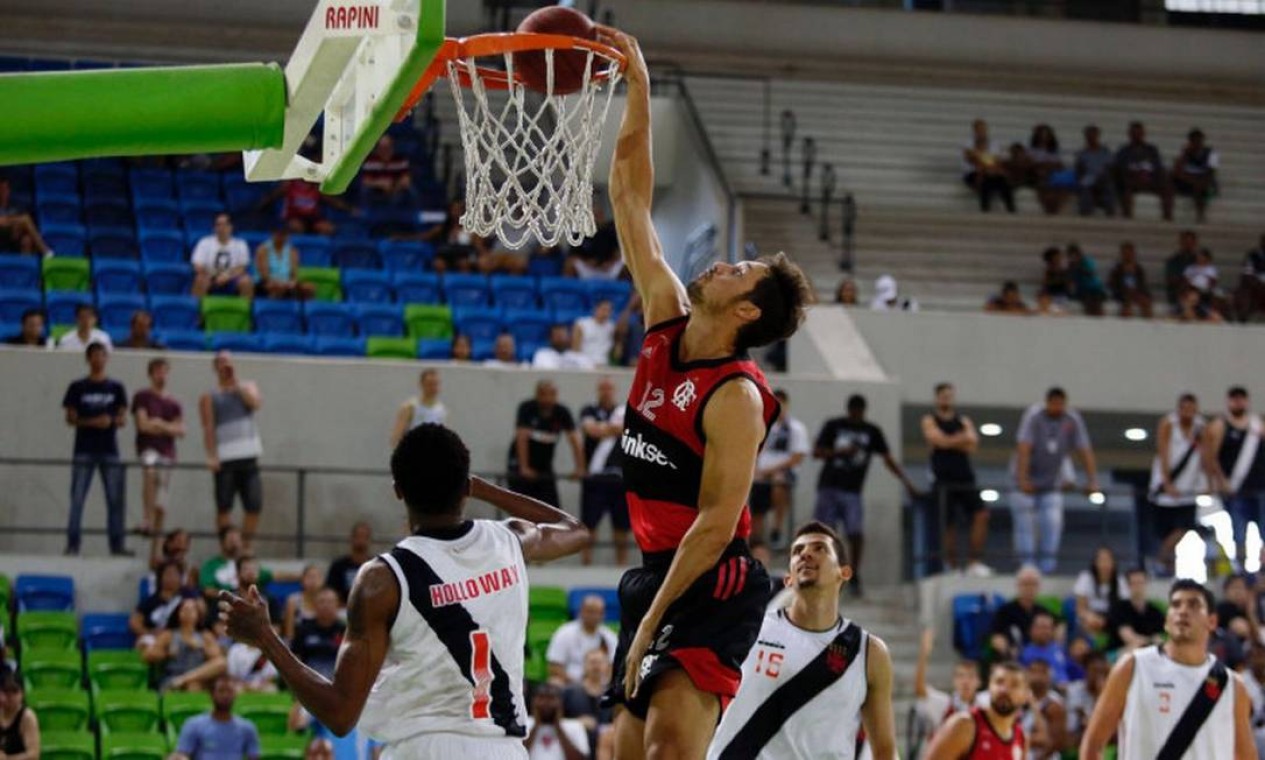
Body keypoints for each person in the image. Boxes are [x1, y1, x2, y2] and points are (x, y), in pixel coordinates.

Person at [598, 26, 812, 760]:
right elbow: (628, 195)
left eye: (739, 270)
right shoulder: (665, 318)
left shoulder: (735, 397)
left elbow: (717, 525)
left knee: (668, 750)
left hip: (712, 579)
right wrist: (639, 89)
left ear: (746, 311)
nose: (723, 264)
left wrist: (652, 623)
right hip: (653, 572)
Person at [217, 423, 591, 756]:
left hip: (421, 747)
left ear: (397, 490)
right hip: (503, 750)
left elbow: (340, 713)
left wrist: (266, 638)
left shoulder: (381, 580)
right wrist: (481, 488)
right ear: (465, 486)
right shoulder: (510, 540)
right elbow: (574, 529)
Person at [706, 521, 896, 760]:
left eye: (820, 548)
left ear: (845, 573)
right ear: (788, 579)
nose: (805, 554)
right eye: (797, 551)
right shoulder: (749, 628)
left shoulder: (868, 652)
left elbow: (885, 750)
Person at [1079, 579, 1257, 760]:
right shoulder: (1133, 666)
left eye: (1194, 605)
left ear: (1212, 621)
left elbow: (1246, 756)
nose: (1183, 611)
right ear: (1166, 621)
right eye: (1176, 605)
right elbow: (1092, 746)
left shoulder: (1231, 685)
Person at [813, 394, 918, 597]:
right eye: (853, 412)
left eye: (859, 413)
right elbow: (817, 452)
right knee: (824, 534)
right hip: (829, 486)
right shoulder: (834, 425)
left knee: (855, 533)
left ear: (863, 412)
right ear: (849, 410)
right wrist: (840, 452)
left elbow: (888, 459)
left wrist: (907, 483)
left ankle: (853, 575)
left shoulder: (871, 431)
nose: (856, 415)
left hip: (852, 490)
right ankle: (822, 573)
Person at [1011, 387, 1100, 573]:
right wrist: (1023, 479)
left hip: (1050, 482)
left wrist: (1092, 479)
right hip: (1026, 479)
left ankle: (1047, 567)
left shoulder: (1072, 419)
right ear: (1047, 402)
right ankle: (1027, 566)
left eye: (1061, 404)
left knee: (1052, 522)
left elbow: (1084, 449)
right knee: (1025, 524)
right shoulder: (1034, 416)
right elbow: (1024, 447)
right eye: (1055, 404)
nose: (1058, 408)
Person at [62, 341, 130, 556]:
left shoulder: (116, 387)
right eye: (94, 355)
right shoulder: (77, 387)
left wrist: (111, 421)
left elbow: (122, 418)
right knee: (77, 498)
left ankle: (116, 545)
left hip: (110, 450)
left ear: (106, 358)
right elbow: (70, 418)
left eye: (102, 355)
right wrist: (94, 422)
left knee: (115, 499)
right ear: (88, 359)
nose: (98, 359)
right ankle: (73, 544)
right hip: (84, 449)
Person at [922, 383, 989, 576]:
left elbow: (972, 444)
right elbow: (937, 440)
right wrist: (959, 439)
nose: (946, 399)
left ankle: (974, 562)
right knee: (948, 524)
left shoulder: (963, 420)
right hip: (943, 480)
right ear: (936, 398)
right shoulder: (930, 420)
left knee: (981, 514)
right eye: (943, 396)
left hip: (965, 478)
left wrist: (948, 441)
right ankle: (951, 566)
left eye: (949, 396)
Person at [199, 351, 264, 541]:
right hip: (225, 458)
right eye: (221, 362)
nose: (225, 366)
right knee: (224, 506)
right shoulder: (209, 396)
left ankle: (245, 545)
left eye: (228, 362)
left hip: (249, 456)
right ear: (215, 367)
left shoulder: (248, 386)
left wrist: (236, 384)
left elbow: (255, 404)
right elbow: (208, 427)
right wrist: (211, 455)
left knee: (254, 505)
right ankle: (226, 546)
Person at [1204, 387, 1265, 568]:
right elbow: (1210, 457)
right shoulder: (1219, 425)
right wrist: (1221, 482)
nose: (1238, 403)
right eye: (1235, 399)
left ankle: (1262, 567)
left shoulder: (1257, 425)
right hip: (1235, 488)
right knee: (1239, 532)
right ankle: (1241, 569)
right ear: (1228, 401)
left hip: (1260, 487)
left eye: (1241, 399)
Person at [922, 661, 1029, 760]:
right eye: (999, 682)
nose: (1004, 690)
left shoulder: (1021, 738)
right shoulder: (964, 725)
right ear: (989, 687)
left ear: (1025, 695)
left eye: (1014, 685)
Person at [1150, 393, 1208, 573]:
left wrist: (1205, 483)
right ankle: (1165, 563)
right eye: (1185, 409)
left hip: (1188, 490)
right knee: (1166, 531)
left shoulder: (1201, 427)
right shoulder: (1169, 424)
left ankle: (1162, 559)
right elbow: (1163, 453)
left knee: (1184, 527)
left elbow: (1205, 456)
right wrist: (1167, 482)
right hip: (1167, 487)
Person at [507, 380, 585, 508]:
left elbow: (574, 439)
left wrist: (580, 467)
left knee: (551, 508)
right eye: (543, 394)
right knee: (522, 507)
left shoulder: (562, 412)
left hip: (544, 465)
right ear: (537, 395)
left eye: (551, 394)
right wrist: (524, 467)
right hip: (520, 463)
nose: (547, 399)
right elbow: (522, 438)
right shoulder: (527, 408)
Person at [579, 377, 630, 566]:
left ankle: (621, 564)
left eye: (609, 388)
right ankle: (586, 563)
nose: (606, 392)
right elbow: (591, 430)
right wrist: (614, 429)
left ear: (614, 391)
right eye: (603, 388)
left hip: (619, 477)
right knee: (589, 523)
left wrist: (604, 428)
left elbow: (630, 430)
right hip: (595, 476)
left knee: (621, 525)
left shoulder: (623, 411)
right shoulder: (589, 410)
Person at [752, 388, 810, 548]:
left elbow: (797, 457)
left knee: (779, 482)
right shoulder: (763, 426)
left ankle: (776, 529)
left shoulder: (795, 428)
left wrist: (770, 470)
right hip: (762, 473)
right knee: (755, 494)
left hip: (783, 472)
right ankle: (756, 536)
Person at [132, 357, 184, 536]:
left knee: (161, 504)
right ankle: (146, 519)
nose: (161, 375)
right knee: (150, 470)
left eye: (164, 371)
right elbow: (142, 425)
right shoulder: (142, 397)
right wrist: (168, 428)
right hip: (149, 448)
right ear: (150, 374)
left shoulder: (174, 403)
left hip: (167, 453)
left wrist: (159, 423)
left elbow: (180, 430)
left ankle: (156, 542)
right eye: (157, 371)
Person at [914, 627, 981, 747]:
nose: (965, 681)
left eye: (971, 676)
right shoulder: (945, 704)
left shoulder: (986, 705)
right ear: (954, 681)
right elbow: (920, 690)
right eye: (961, 676)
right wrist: (924, 653)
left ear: (979, 681)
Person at [171, 674, 261, 760]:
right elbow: (181, 754)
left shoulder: (247, 728)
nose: (225, 696)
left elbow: (253, 757)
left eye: (229, 691)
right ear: (212, 694)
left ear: (235, 695)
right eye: (221, 691)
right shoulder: (193, 725)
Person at [144, 598, 226, 692]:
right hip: (172, 677)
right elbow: (149, 655)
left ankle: (184, 679)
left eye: (192, 610)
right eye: (185, 609)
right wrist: (166, 653)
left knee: (194, 685)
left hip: (197, 676)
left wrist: (202, 648)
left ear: (198, 615)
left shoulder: (205, 636)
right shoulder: (168, 635)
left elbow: (218, 661)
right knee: (188, 686)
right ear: (178, 613)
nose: (188, 613)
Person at [547, 595, 618, 686]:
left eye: (598, 613)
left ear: (603, 615)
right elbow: (554, 667)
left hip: (600, 685)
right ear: (581, 612)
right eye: (590, 612)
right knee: (554, 682)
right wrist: (579, 685)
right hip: (569, 684)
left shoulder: (610, 637)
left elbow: (613, 668)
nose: (594, 616)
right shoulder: (564, 633)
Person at [1114, 121, 1174, 221]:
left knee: (1167, 187)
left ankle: (1167, 217)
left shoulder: (1151, 150)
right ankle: (1127, 217)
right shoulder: (1124, 151)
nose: (1136, 136)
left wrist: (1149, 176)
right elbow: (1120, 168)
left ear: (1143, 134)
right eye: (1134, 133)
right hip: (1131, 182)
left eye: (1139, 133)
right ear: (1130, 135)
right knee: (1124, 190)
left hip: (1149, 180)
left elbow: (1158, 167)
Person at [131, 560, 198, 650]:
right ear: (160, 577)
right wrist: (148, 632)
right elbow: (135, 621)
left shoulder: (187, 598)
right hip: (154, 637)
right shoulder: (150, 601)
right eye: (168, 574)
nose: (172, 578)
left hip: (179, 638)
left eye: (175, 574)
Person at [191, 213, 255, 298]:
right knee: (200, 280)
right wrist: (213, 275)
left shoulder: (241, 244)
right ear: (214, 228)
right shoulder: (204, 243)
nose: (221, 228)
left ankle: (246, 306)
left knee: (246, 281)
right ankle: (196, 306)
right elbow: (198, 266)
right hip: (210, 277)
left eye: (225, 224)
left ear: (231, 227)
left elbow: (242, 268)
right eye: (218, 225)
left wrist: (227, 276)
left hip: (232, 278)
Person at [562, 648, 615, 749]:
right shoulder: (569, 692)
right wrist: (576, 723)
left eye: (600, 663)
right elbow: (557, 721)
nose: (596, 666)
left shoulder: (612, 695)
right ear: (584, 666)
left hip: (606, 747)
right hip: (575, 745)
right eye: (592, 662)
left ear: (607, 667)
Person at [961, 119, 1015, 213]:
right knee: (985, 182)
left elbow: (997, 160)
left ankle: (1011, 210)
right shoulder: (968, 143)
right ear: (974, 130)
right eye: (978, 129)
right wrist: (985, 169)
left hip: (991, 171)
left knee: (1004, 182)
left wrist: (994, 169)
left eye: (983, 129)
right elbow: (972, 159)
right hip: (973, 172)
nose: (981, 132)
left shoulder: (994, 143)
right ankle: (985, 210)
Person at [1106, 567, 1165, 652]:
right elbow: (1129, 638)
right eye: (1133, 583)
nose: (1137, 587)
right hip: (1120, 651)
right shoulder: (1119, 608)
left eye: (1140, 582)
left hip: (1146, 650)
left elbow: (1158, 638)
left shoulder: (1155, 612)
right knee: (1136, 648)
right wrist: (1151, 640)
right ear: (1128, 585)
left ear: (1146, 583)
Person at [989, 567, 1043, 661]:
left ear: (1038, 587)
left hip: (1039, 658)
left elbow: (1056, 626)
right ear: (1018, 586)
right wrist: (1006, 649)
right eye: (1025, 584)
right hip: (1013, 657)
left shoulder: (1043, 612)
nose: (1029, 588)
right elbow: (995, 637)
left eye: (1033, 584)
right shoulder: (1004, 611)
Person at [526, 683, 590, 760]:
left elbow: (580, 759)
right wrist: (536, 725)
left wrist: (558, 726)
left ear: (560, 702)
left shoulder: (575, 726)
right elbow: (516, 754)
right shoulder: (524, 724)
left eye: (551, 698)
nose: (546, 703)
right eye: (541, 698)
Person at [291, 588, 345, 680]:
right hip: (308, 680)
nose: (326, 605)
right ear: (314, 605)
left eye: (330, 602)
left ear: (338, 605)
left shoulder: (346, 631)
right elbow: (295, 657)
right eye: (322, 602)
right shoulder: (303, 629)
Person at [1023, 658, 1070, 760]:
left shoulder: (1054, 705)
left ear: (1049, 676)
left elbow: (1059, 741)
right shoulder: (1020, 699)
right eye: (1033, 671)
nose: (1037, 676)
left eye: (1042, 672)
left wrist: (1040, 757)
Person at [389, 369, 447, 448]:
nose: (433, 388)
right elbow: (396, 437)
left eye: (436, 384)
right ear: (421, 385)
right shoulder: (410, 407)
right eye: (430, 384)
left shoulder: (441, 410)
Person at [255, 227, 317, 300]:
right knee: (277, 287)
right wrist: (279, 283)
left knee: (309, 287)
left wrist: (292, 282)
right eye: (279, 234)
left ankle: (302, 307)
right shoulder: (263, 249)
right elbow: (265, 276)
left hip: (286, 282)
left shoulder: (292, 251)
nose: (281, 237)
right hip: (266, 283)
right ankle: (272, 306)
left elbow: (294, 274)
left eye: (284, 234)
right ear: (273, 234)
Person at [1171, 128, 1219, 223]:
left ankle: (1200, 214)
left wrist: (1200, 181)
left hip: (1205, 183)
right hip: (1189, 182)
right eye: (1194, 141)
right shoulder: (1185, 153)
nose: (1197, 143)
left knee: (1202, 186)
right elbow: (1178, 171)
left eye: (1199, 141)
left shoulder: (1212, 153)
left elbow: (1212, 172)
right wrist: (1185, 154)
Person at [0, 173, 52, 256]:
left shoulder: (14, 207)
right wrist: (13, 221)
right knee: (25, 219)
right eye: (1, 189)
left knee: (27, 240)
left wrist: (14, 224)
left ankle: (26, 263)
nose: (4, 192)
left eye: (5, 189)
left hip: (13, 236)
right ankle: (45, 251)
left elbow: (15, 224)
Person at [1018, 610, 1071, 688]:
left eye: (1048, 628)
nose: (1045, 631)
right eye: (1041, 627)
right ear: (1032, 630)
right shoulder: (1025, 653)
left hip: (1067, 687)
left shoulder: (1059, 649)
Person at [1074, 124, 1117, 217]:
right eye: (1089, 136)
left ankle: (1110, 213)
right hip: (1089, 180)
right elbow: (1079, 170)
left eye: (1093, 135)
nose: (1091, 138)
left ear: (1097, 136)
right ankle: (1085, 214)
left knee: (1109, 186)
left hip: (1103, 180)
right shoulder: (1082, 154)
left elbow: (1111, 167)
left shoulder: (1105, 152)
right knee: (1085, 187)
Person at [325, 521, 372, 604]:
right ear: (351, 538)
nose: (361, 540)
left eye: (365, 537)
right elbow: (331, 591)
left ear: (369, 540)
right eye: (358, 536)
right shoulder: (338, 566)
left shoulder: (375, 567)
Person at [359, 135, 412, 206]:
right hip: (376, 189)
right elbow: (366, 181)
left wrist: (394, 186)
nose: (384, 151)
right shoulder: (371, 160)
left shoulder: (401, 159)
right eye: (382, 148)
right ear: (377, 149)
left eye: (387, 147)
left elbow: (406, 179)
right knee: (364, 190)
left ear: (392, 147)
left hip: (396, 189)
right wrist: (380, 183)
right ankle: (365, 211)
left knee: (411, 191)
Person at [0, 667, 40, 760]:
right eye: (6, 691)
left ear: (22, 694)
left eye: (14, 692)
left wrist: (7, 759)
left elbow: (33, 755)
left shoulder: (27, 717)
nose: (10, 697)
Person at [1107, 241, 1153, 319]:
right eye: (1125, 253)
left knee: (1146, 301)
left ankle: (1148, 321)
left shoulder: (1138, 269)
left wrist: (1136, 289)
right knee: (1127, 303)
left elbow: (1142, 284)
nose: (1128, 255)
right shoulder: (1117, 269)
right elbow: (1112, 284)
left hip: (1136, 292)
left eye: (1129, 253)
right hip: (1122, 294)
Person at [283, 564, 324, 643]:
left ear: (322, 581)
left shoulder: (327, 600)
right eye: (309, 577)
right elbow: (289, 634)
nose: (313, 581)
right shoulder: (293, 601)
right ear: (302, 581)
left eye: (316, 577)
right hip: (299, 644)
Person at [573, 299, 616, 367]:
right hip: (584, 363)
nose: (606, 313)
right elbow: (575, 349)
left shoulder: (612, 327)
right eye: (603, 310)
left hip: (603, 364)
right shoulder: (582, 324)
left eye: (609, 311)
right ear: (596, 309)